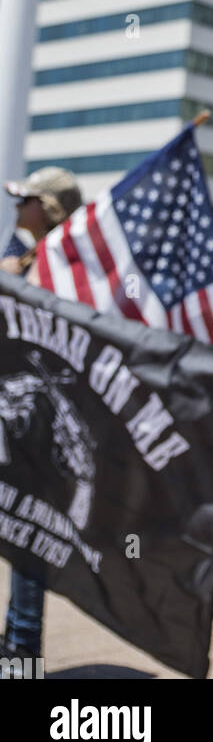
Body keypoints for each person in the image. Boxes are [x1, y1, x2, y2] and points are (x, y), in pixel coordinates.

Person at [0, 167, 83, 667]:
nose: (17, 205)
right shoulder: (22, 251)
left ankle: (22, 651)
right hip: (11, 415)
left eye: (26, 198)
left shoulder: (71, 265)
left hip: (39, 427)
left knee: (29, 530)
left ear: (49, 208)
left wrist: (18, 282)